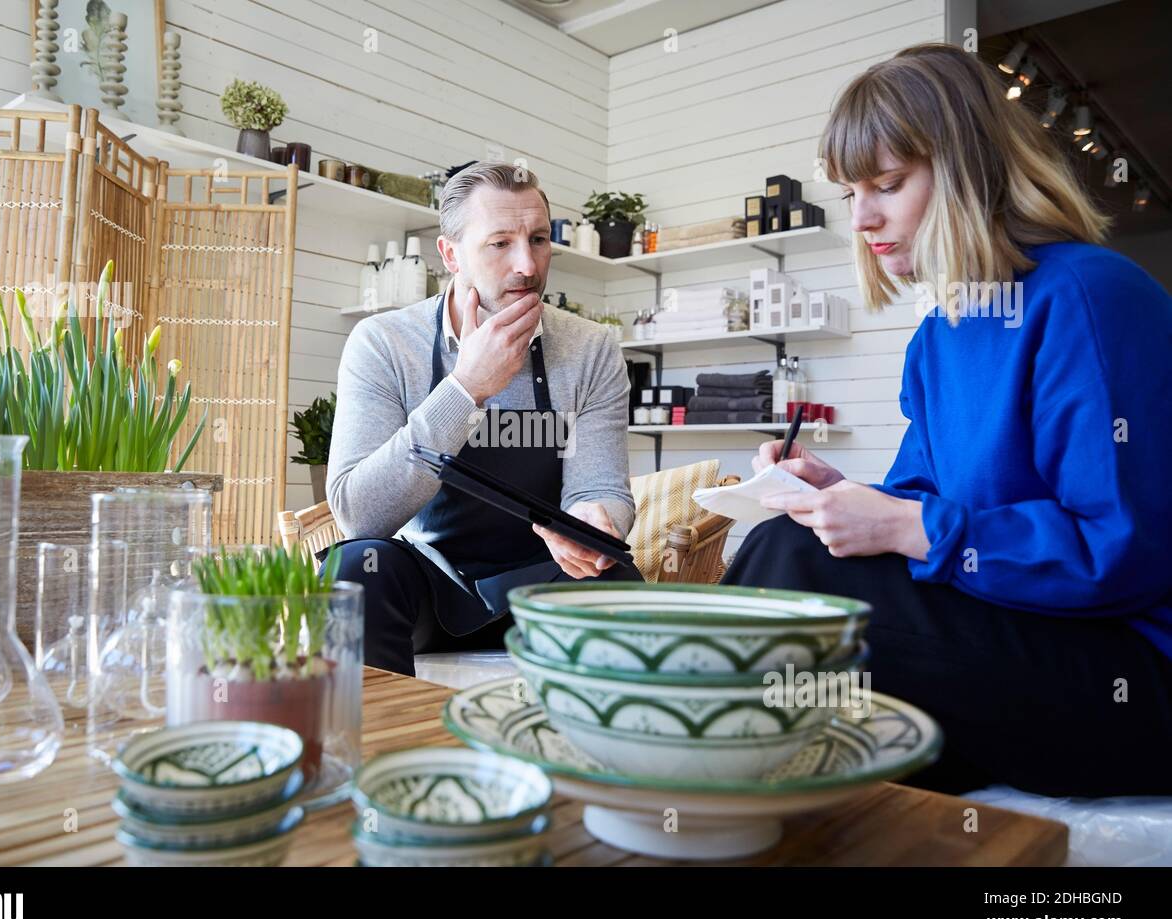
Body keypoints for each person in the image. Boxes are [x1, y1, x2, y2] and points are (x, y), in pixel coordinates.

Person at [722, 43, 1172, 797]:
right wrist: (837, 495)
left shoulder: (1091, 296)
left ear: (971, 169)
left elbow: (1120, 554)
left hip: (1130, 668)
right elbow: (923, 506)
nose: (862, 218)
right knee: (793, 559)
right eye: (850, 193)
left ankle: (678, 756)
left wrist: (911, 527)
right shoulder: (939, 336)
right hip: (1025, 632)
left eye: (888, 184)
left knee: (792, 564)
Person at [326, 162, 641, 675]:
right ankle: (380, 727)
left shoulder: (591, 348)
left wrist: (594, 521)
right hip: (428, 582)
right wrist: (467, 387)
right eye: (500, 244)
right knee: (359, 567)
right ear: (451, 254)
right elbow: (358, 514)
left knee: (618, 583)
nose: (527, 266)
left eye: (538, 240)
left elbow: (600, 488)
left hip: (549, 578)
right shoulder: (384, 343)